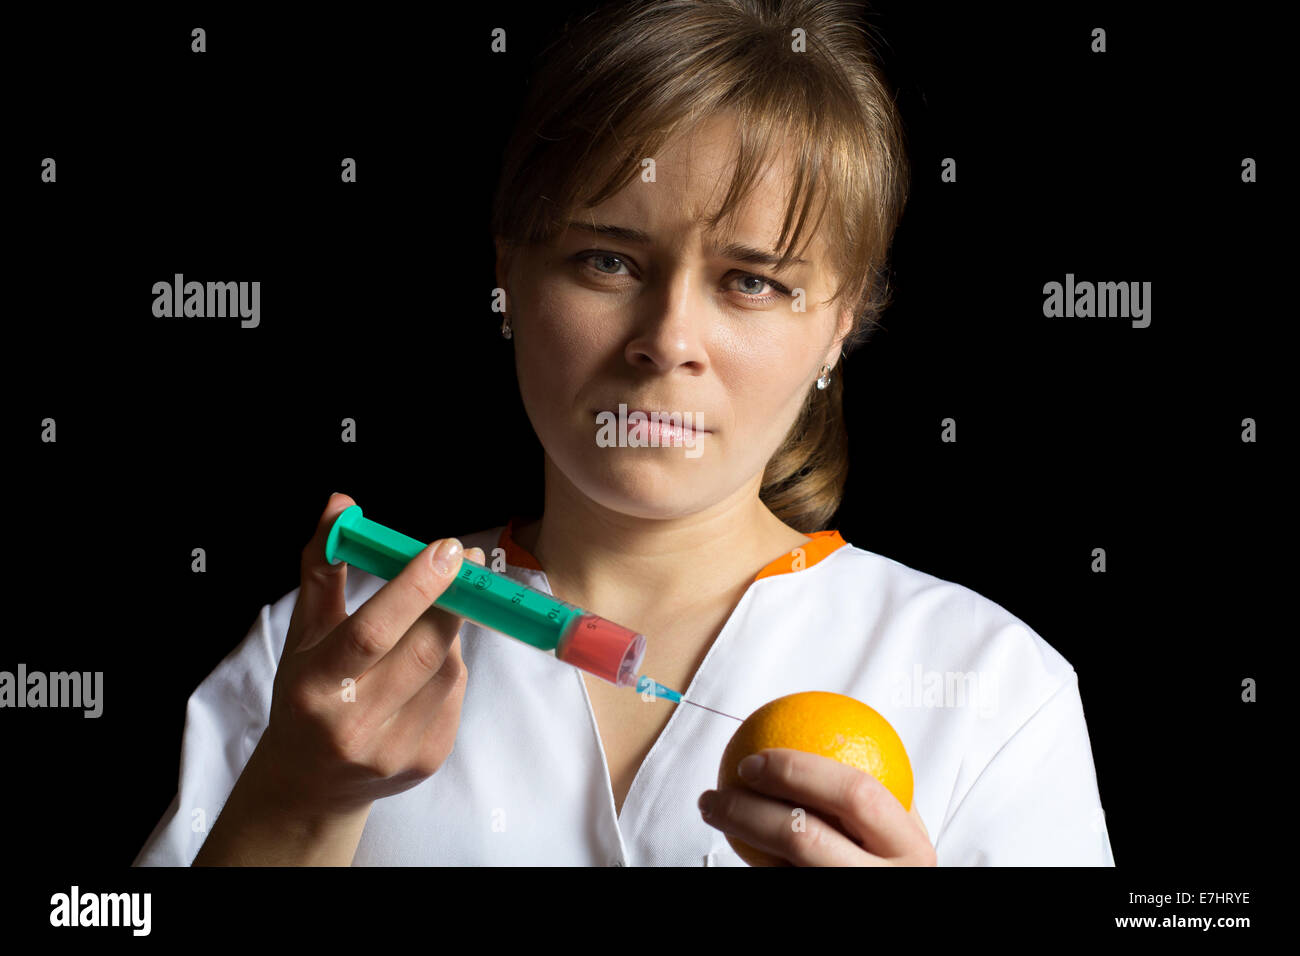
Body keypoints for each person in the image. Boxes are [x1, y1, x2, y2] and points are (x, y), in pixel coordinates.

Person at [134, 0, 1114, 866]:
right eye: (607, 259)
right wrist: (296, 801)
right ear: (506, 273)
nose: (666, 340)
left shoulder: (991, 686)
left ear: (839, 322)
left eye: (752, 280)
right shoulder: (328, 650)